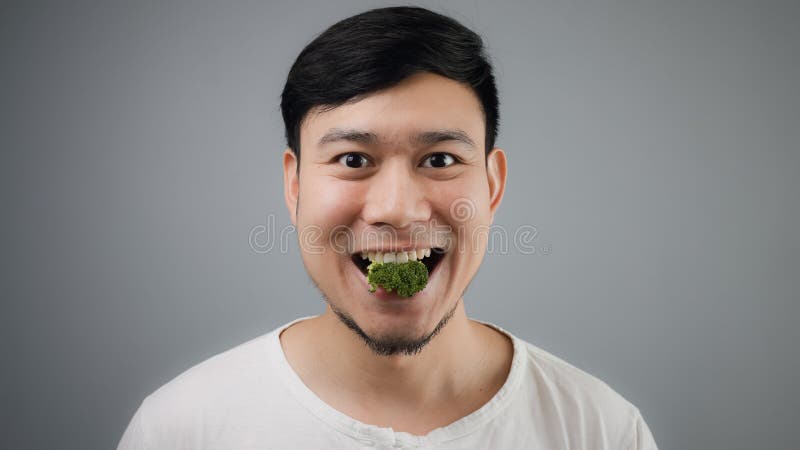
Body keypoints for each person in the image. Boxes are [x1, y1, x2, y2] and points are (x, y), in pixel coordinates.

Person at [118, 6, 658, 449]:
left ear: (492, 187)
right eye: (353, 160)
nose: (398, 210)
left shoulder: (600, 431)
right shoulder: (181, 430)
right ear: (295, 185)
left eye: (441, 159)